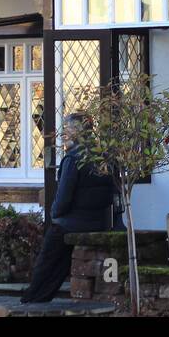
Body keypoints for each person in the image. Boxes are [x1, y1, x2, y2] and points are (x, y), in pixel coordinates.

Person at [21, 112, 115, 304]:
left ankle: (34, 296)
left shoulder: (73, 159)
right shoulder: (103, 155)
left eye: (68, 129)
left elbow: (63, 199)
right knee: (61, 258)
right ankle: (40, 295)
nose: (64, 134)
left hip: (73, 222)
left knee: (49, 256)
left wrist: (53, 214)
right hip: (99, 220)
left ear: (78, 132)